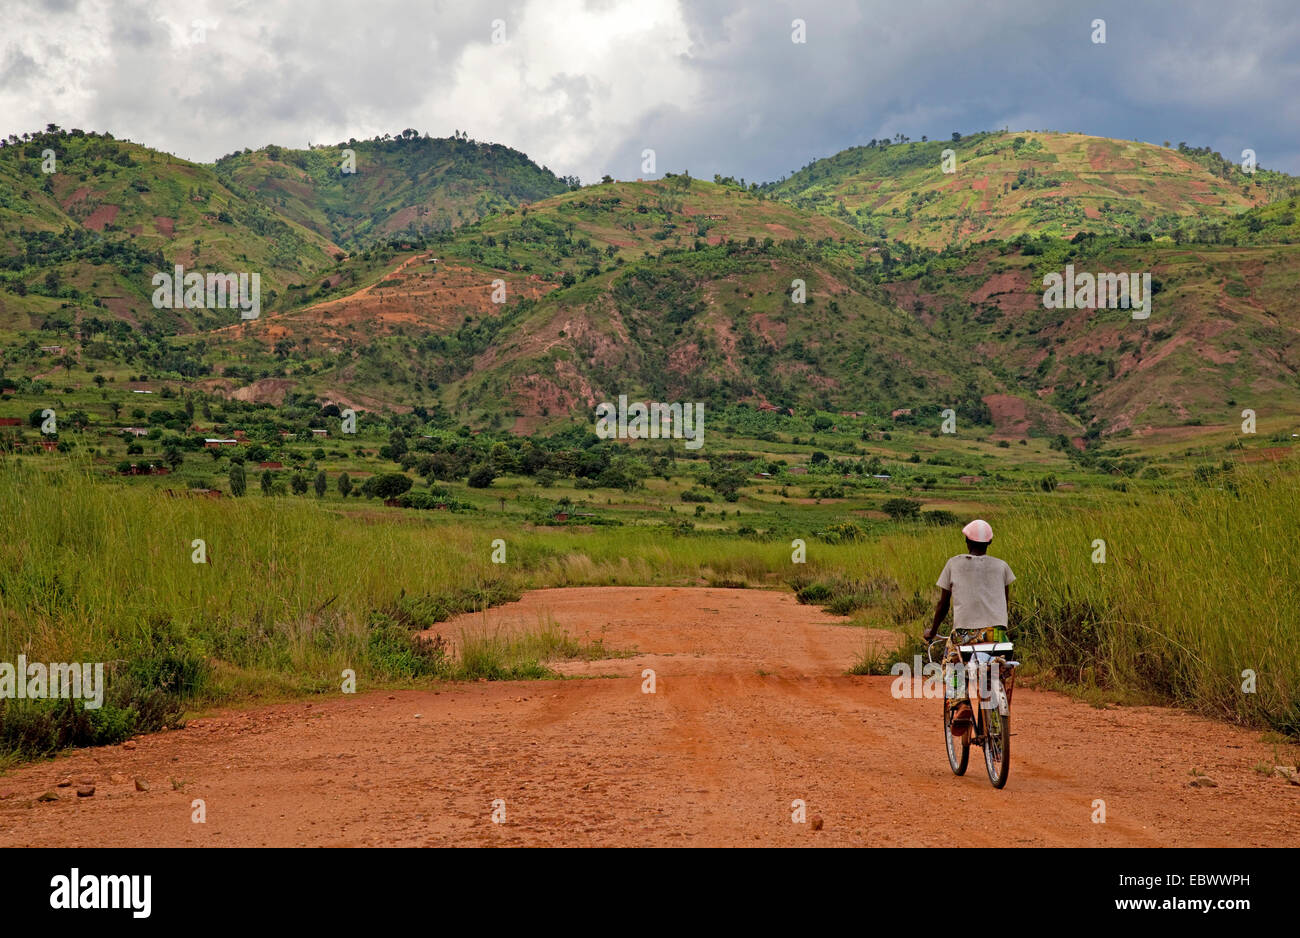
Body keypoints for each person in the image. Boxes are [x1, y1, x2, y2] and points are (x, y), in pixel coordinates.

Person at [923, 519, 1016, 730]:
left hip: (965, 636)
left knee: (952, 664)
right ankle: (998, 727)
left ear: (966, 541)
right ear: (989, 542)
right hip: (998, 636)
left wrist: (933, 631)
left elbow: (943, 604)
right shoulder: (1002, 567)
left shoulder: (954, 564)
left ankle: (962, 704)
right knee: (998, 671)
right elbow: (1004, 601)